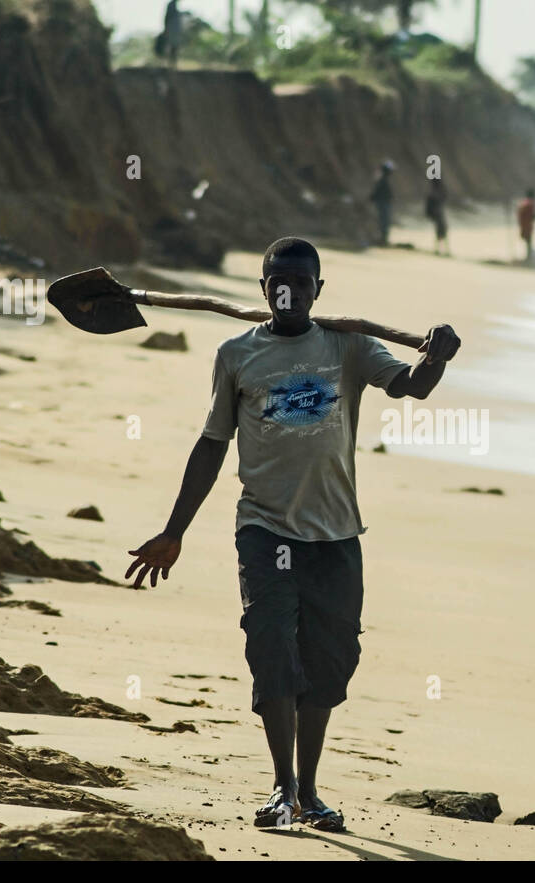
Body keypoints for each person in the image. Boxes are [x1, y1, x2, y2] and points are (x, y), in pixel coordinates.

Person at [124, 237, 461, 832]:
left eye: (300, 283)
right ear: (264, 289)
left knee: (329, 663)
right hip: (265, 529)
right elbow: (211, 444)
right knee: (273, 647)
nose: (288, 292)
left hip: (335, 536)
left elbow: (413, 385)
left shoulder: (349, 345)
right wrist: (174, 530)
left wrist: (436, 356)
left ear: (317, 290)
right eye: (278, 282)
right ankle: (282, 787)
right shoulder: (236, 354)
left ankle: (308, 789)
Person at [369, 160, 395, 246]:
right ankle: (383, 239)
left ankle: (383, 239)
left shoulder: (381, 179)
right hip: (383, 204)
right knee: (383, 221)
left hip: (383, 203)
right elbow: (377, 192)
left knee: (384, 221)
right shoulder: (382, 180)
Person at [425, 176, 449, 256]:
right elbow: (444, 197)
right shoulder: (437, 192)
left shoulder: (434, 192)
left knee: (440, 231)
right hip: (439, 213)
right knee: (442, 230)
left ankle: (439, 249)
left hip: (437, 213)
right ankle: (443, 250)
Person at [517, 188, 535, 263]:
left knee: (528, 243)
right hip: (527, 227)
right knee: (528, 243)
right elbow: (531, 216)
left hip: (524, 226)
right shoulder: (529, 204)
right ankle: (529, 259)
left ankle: (529, 258)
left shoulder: (524, 203)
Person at [162, 0, 183, 69]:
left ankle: (173, 65)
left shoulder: (175, 6)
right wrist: (166, 30)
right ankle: (170, 65)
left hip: (175, 31)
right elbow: (167, 18)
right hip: (172, 30)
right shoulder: (171, 5)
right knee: (172, 48)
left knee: (175, 48)